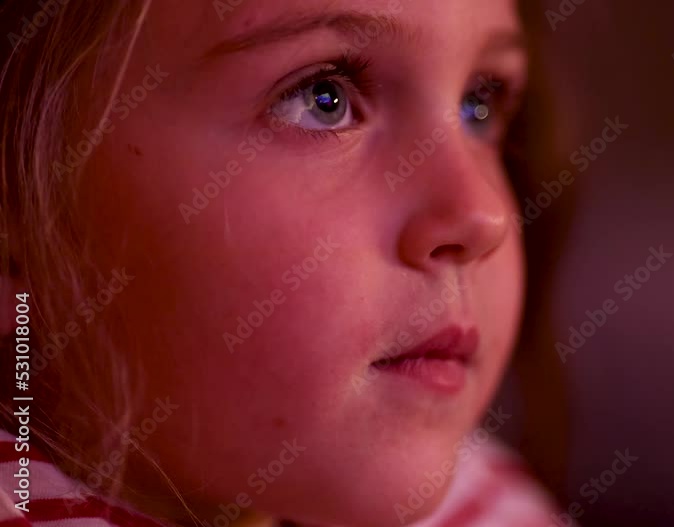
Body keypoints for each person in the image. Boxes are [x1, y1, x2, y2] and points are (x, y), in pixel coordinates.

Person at [0, 0, 575, 525]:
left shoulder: (485, 504)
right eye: (324, 98)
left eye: (480, 102)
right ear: (17, 219)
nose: (483, 216)